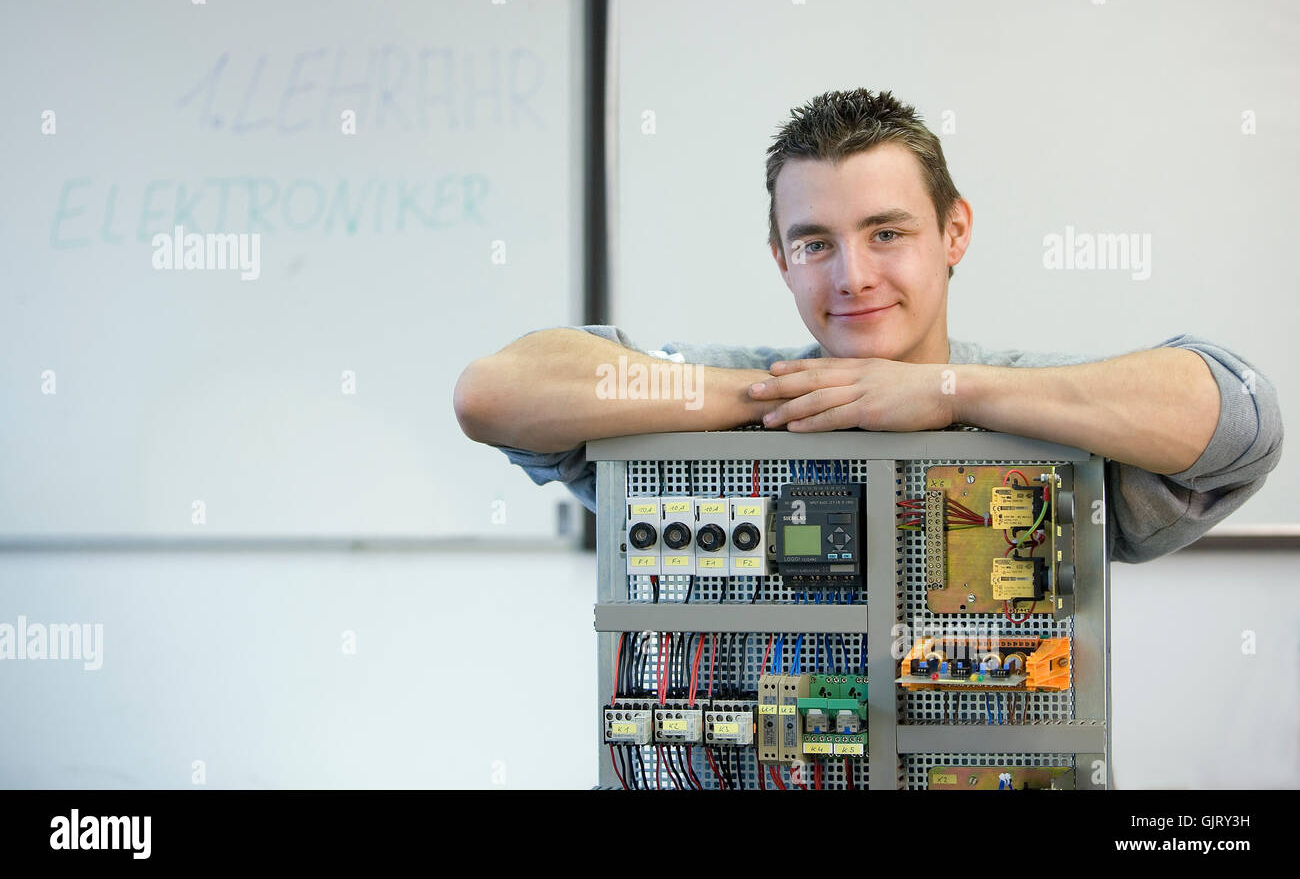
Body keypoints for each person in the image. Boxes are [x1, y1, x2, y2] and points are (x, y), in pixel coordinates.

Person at [453, 88, 1283, 563]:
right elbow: (494, 393)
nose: (851, 276)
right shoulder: (710, 394)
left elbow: (1242, 418)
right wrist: (778, 397)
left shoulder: (1041, 409)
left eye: (887, 232)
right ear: (780, 257)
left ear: (955, 230)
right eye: (815, 243)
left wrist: (946, 391)